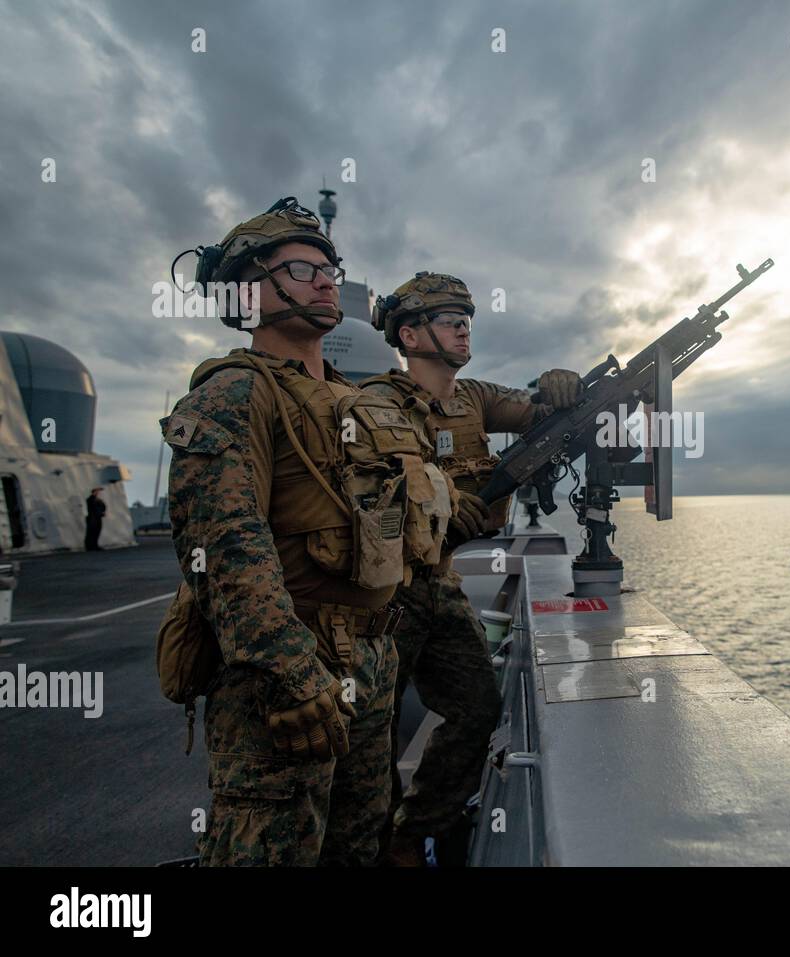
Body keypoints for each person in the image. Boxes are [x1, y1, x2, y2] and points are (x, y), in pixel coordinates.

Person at [161, 198, 449, 866]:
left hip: (370, 666)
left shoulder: (352, 400)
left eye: (329, 267)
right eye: (299, 267)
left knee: (358, 840)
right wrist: (291, 676)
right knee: (271, 846)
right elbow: (226, 551)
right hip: (290, 678)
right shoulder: (236, 393)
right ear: (246, 290)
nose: (325, 280)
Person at [364, 272, 583, 866]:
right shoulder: (379, 403)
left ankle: (415, 831)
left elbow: (539, 413)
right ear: (408, 335)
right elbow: (404, 495)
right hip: (380, 595)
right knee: (370, 732)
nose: (463, 326)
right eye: (446, 317)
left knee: (477, 707)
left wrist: (565, 387)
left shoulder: (474, 398)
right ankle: (373, 845)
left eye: (466, 317)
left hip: (437, 585)